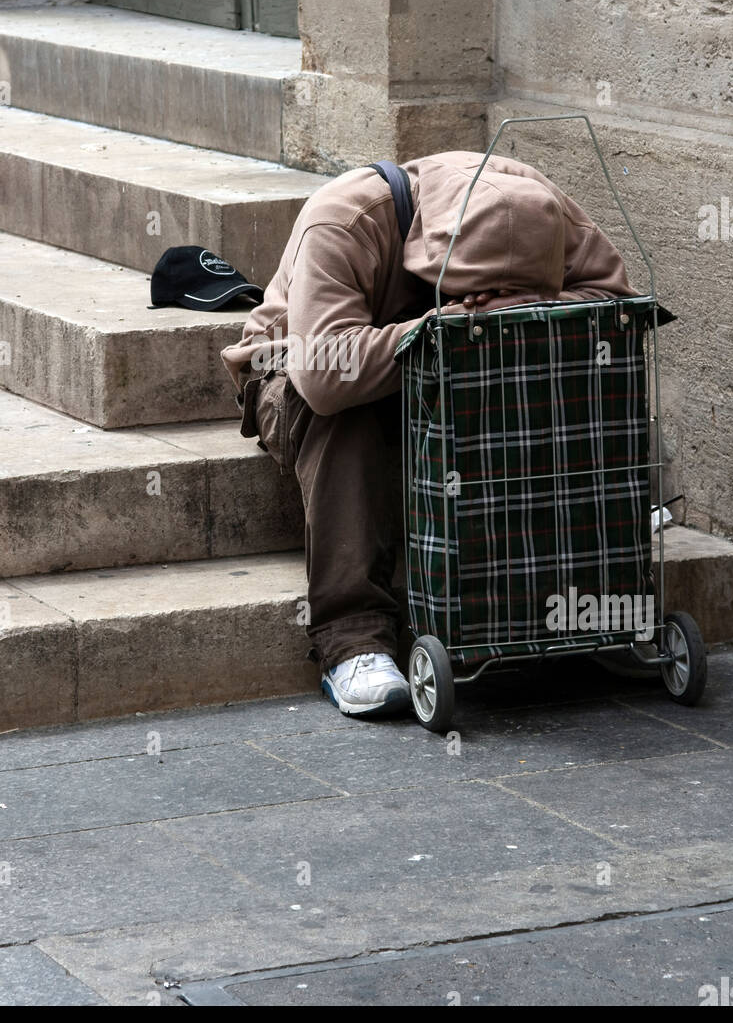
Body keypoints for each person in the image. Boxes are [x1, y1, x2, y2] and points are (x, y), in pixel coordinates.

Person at [220, 150, 634, 718]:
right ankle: (354, 640)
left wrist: (531, 311)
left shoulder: (538, 208)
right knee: (348, 415)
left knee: (560, 352)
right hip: (299, 367)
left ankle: (581, 598)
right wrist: (443, 329)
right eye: (480, 293)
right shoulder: (343, 219)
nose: (492, 305)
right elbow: (322, 375)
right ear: (434, 262)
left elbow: (615, 303)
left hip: (441, 363)